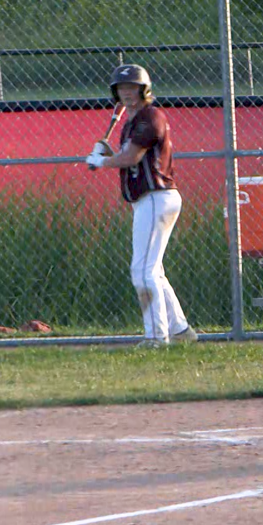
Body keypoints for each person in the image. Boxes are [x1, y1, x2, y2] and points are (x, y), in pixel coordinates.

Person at [85, 64, 196, 348]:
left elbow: (131, 158)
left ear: (144, 90)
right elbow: (127, 158)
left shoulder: (150, 117)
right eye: (122, 88)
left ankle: (156, 337)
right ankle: (180, 330)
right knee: (153, 270)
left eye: (133, 87)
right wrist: (107, 153)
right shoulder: (131, 123)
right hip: (149, 200)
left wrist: (102, 161)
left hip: (157, 197)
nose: (127, 93)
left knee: (142, 271)